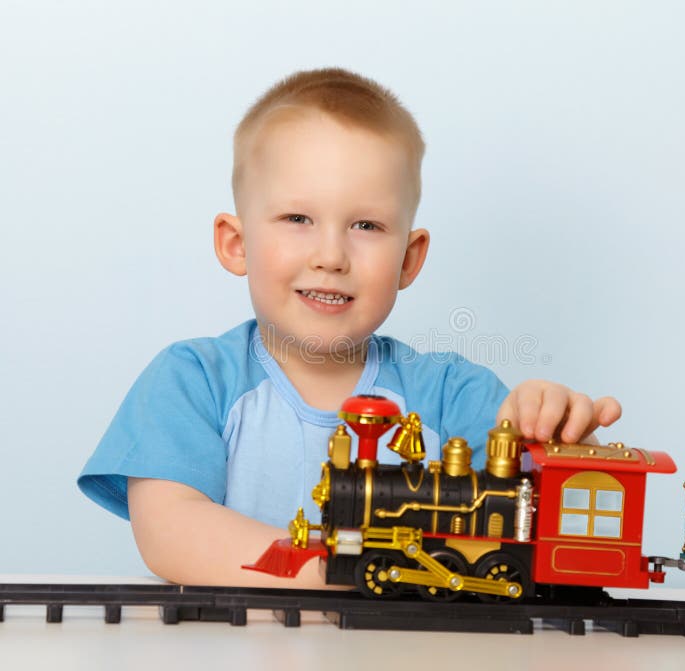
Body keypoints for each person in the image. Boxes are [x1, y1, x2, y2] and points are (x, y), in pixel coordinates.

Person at [78, 68, 621, 588]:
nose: (331, 255)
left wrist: (564, 436)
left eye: (366, 225)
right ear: (236, 244)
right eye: (297, 219)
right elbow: (170, 531)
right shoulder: (192, 379)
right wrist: (338, 571)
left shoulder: (456, 395)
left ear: (409, 259)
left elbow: (541, 522)